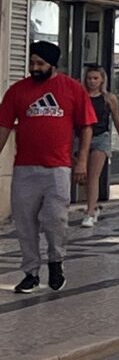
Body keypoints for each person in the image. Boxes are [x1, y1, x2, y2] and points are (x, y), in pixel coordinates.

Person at [0, 42, 95, 293]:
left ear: (53, 65)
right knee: (24, 222)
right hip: (24, 168)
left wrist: (82, 160)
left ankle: (56, 262)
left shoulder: (72, 89)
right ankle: (30, 272)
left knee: (55, 219)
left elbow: (86, 127)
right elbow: (4, 126)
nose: (35, 68)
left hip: (58, 167)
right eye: (32, 63)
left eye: (40, 64)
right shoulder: (17, 91)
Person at [79, 65, 119, 227]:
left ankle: (90, 212)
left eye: (95, 78)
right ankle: (92, 205)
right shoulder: (81, 96)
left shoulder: (109, 98)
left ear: (102, 80)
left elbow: (116, 120)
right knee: (83, 177)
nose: (92, 82)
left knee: (93, 175)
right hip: (81, 138)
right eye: (89, 78)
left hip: (101, 137)